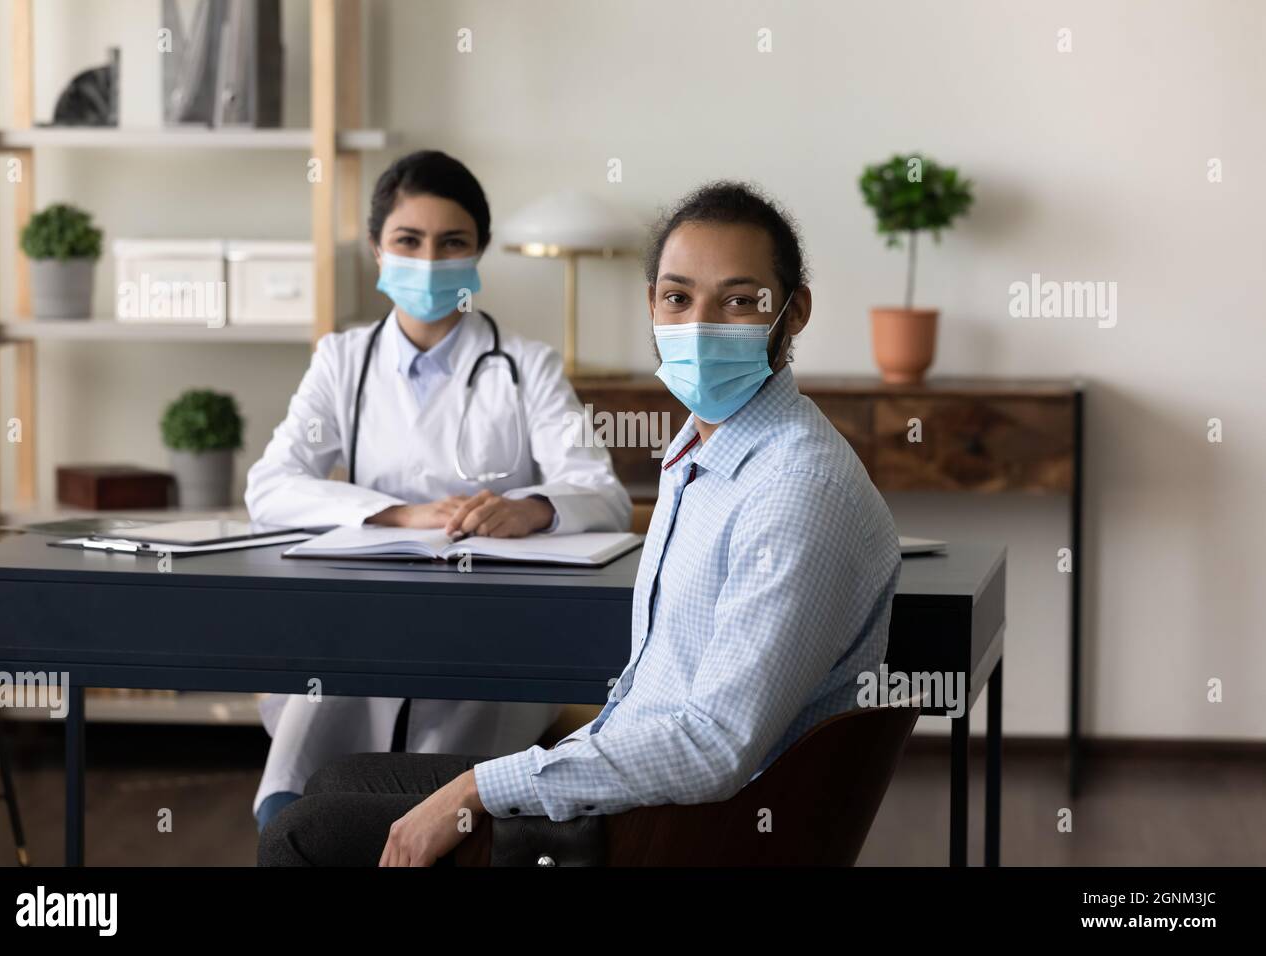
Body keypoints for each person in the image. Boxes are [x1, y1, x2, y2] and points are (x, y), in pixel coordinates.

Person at [257, 180, 900, 866]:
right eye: (678, 298)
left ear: (793, 311)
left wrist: (484, 787)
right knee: (335, 780)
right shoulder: (702, 449)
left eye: (739, 301)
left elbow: (712, 747)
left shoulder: (796, 488)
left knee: (305, 834)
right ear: (651, 304)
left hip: (680, 831)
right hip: (647, 784)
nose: (700, 324)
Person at [244, 150, 631, 832]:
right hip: (360, 619)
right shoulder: (342, 360)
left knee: (453, 812)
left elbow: (602, 494)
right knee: (297, 787)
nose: (429, 261)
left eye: (452, 242)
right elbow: (271, 486)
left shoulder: (527, 364)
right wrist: (397, 513)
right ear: (376, 250)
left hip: (491, 626)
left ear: (478, 253)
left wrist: (532, 509)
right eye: (408, 241)